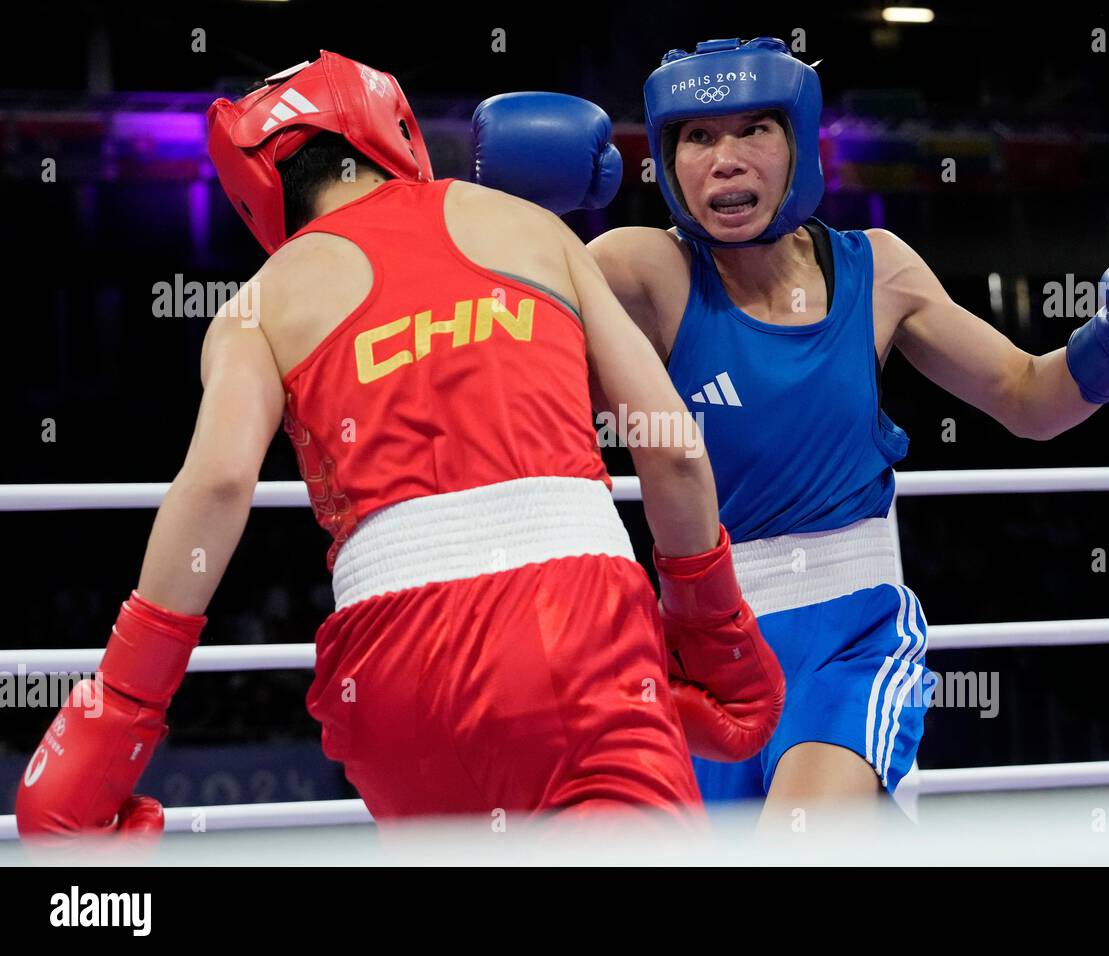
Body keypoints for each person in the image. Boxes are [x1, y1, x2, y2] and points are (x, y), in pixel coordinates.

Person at [471, 36, 1109, 825]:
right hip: (699, 653)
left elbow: (1026, 396)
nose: (725, 159)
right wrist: (517, 215)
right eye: (697, 136)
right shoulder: (643, 268)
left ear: (799, 142)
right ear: (667, 160)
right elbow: (493, 335)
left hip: (851, 631)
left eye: (754, 131)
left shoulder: (879, 270)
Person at [15, 51, 784, 844]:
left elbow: (213, 489)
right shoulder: (528, 228)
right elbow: (672, 448)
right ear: (394, 130)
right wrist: (711, 624)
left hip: (388, 671)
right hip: (572, 632)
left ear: (258, 187)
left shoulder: (258, 305)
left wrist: (120, 706)